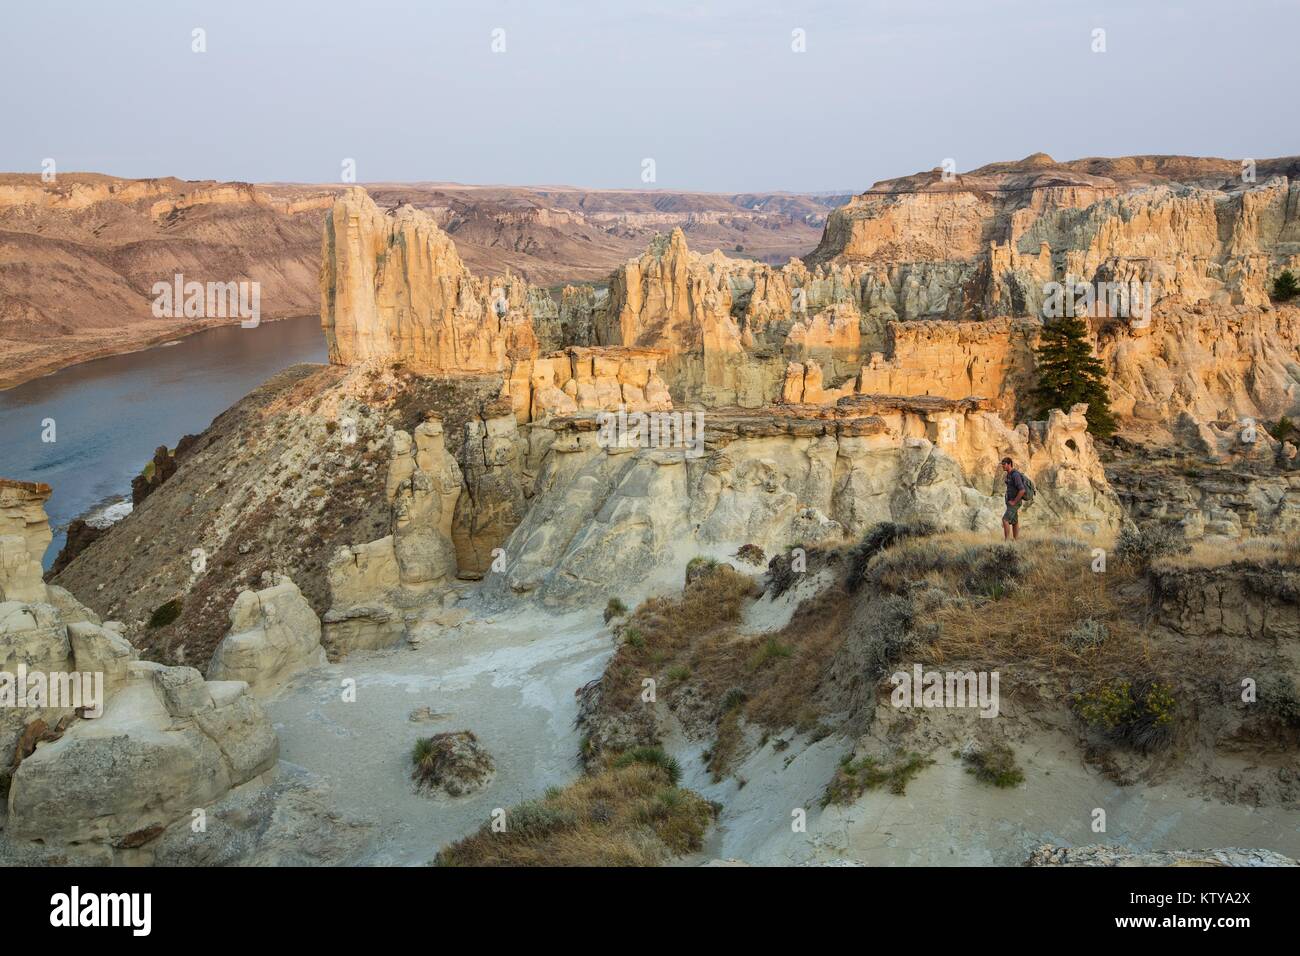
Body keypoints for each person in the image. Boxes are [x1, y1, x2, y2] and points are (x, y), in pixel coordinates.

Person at [1000, 457, 1026, 541]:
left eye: (1004, 464)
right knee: (1014, 522)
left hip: (1015, 502)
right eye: (1002, 464)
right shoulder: (1009, 474)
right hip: (1011, 502)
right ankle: (1016, 540)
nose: (1002, 466)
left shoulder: (1015, 475)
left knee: (1005, 520)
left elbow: (1022, 490)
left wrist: (1014, 502)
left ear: (1009, 464)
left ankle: (1007, 541)